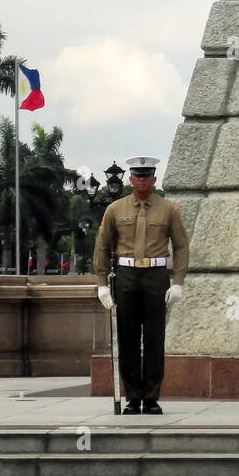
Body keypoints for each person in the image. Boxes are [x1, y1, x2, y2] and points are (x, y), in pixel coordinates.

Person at [94, 157, 189, 414]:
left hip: (156, 276)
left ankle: (151, 397)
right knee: (128, 338)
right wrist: (101, 284)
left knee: (155, 338)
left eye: (148, 175)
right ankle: (133, 397)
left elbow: (181, 247)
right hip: (126, 275)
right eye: (138, 175)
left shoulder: (169, 209)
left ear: (154, 179)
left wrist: (177, 282)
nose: (143, 179)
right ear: (130, 179)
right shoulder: (115, 209)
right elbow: (102, 247)